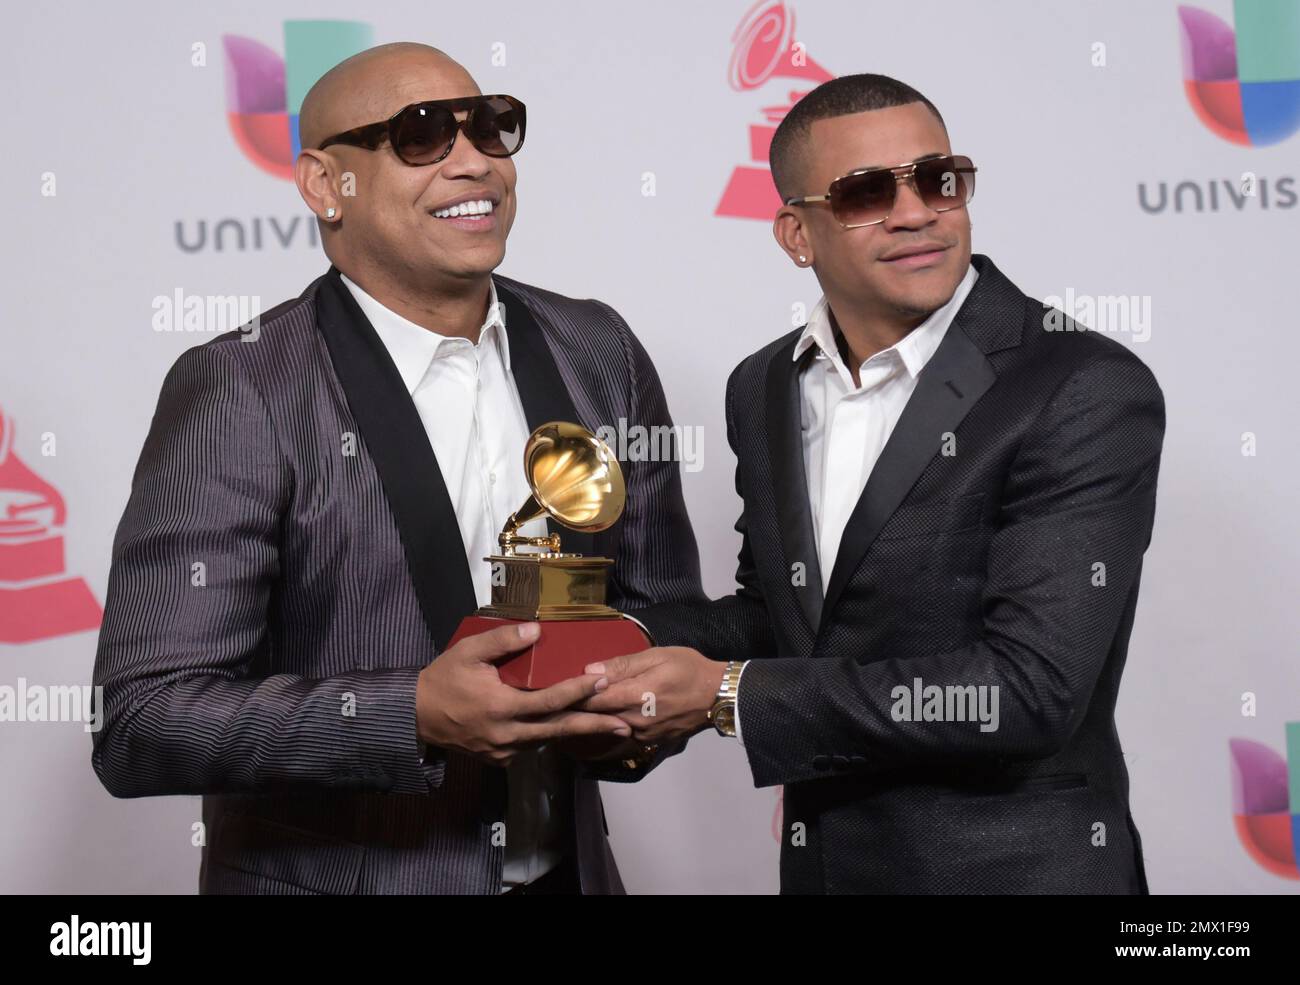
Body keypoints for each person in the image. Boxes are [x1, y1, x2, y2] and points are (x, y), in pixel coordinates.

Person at [91, 43, 702, 895]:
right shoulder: (242, 384)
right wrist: (410, 713)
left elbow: (664, 619)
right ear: (321, 185)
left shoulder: (598, 348)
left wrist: (633, 715)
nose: (473, 160)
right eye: (421, 136)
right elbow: (142, 720)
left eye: (493, 127)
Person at [584, 74, 1165, 894]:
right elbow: (785, 617)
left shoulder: (1080, 383)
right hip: (826, 869)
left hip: (1017, 874)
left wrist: (725, 695)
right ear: (796, 233)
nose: (916, 210)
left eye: (939, 178)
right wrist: (613, 641)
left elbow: (1027, 690)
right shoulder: (764, 385)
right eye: (865, 192)